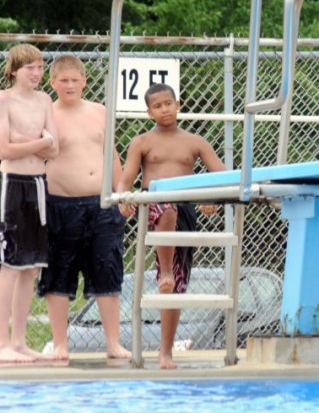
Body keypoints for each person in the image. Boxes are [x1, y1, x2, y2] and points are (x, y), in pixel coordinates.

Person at [116, 83, 225, 369]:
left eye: (168, 103)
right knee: (167, 208)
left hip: (185, 208)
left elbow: (222, 174)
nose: (164, 109)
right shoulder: (142, 142)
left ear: (178, 105)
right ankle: (164, 270)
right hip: (154, 205)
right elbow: (126, 178)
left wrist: (212, 197)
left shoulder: (195, 142)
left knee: (177, 286)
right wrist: (123, 198)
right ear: (149, 112)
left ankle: (165, 352)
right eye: (157, 106)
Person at [37, 55, 130, 360]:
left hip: (102, 202)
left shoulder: (99, 112)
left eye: (74, 80)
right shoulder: (46, 114)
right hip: (60, 204)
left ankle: (113, 342)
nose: (69, 85)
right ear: (53, 82)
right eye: (63, 80)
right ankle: (60, 343)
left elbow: (111, 154)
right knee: (59, 272)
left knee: (108, 268)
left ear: (84, 81)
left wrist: (120, 193)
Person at [0, 44, 59, 363]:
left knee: (30, 267)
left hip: (39, 183)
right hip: (12, 184)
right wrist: (40, 141)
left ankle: (19, 341)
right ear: (14, 71)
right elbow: (4, 150)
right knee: (9, 264)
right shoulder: (4, 99)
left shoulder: (45, 100)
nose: (36, 73)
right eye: (30, 68)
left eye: (40, 67)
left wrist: (25, 141)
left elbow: (55, 150)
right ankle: (1, 344)